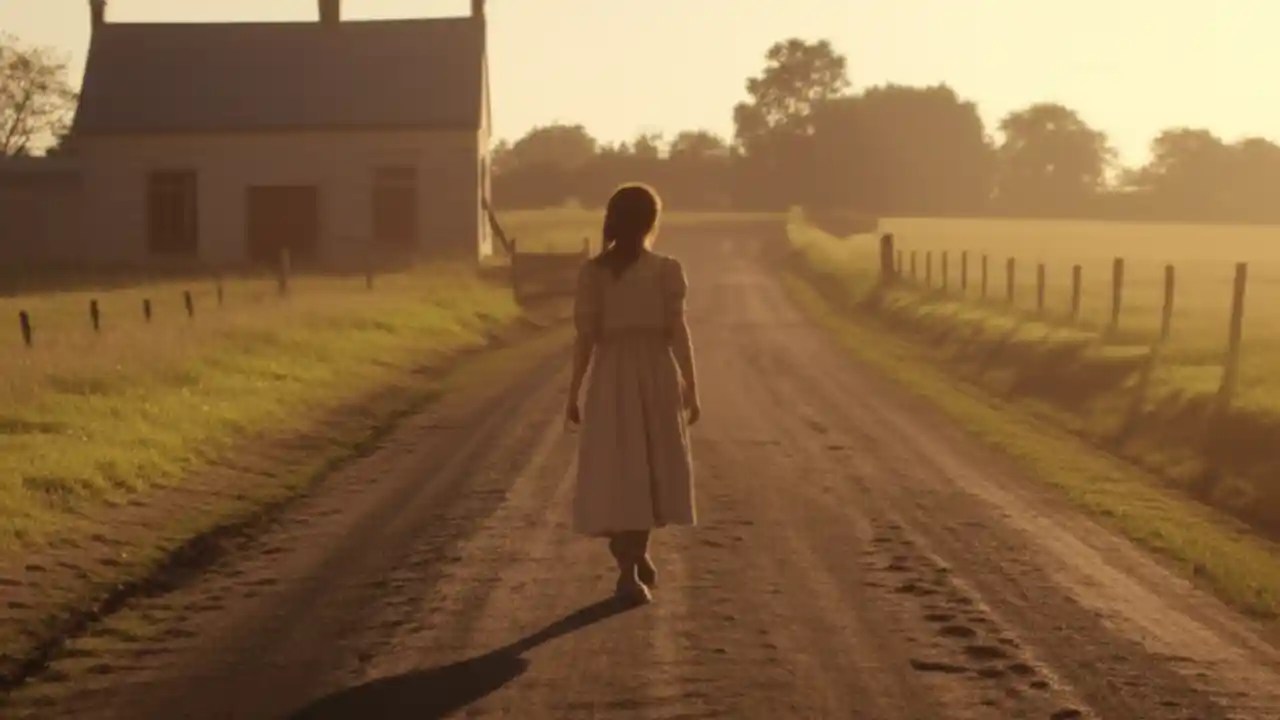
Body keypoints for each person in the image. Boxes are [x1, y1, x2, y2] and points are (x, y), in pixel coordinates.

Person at [565, 183, 700, 605]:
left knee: (641, 467)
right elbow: (674, 331)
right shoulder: (613, 273)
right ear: (650, 222)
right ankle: (629, 568)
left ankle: (633, 556)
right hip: (644, 372)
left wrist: (575, 390)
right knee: (625, 469)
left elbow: (587, 338)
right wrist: (691, 385)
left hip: (624, 374)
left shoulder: (660, 271)